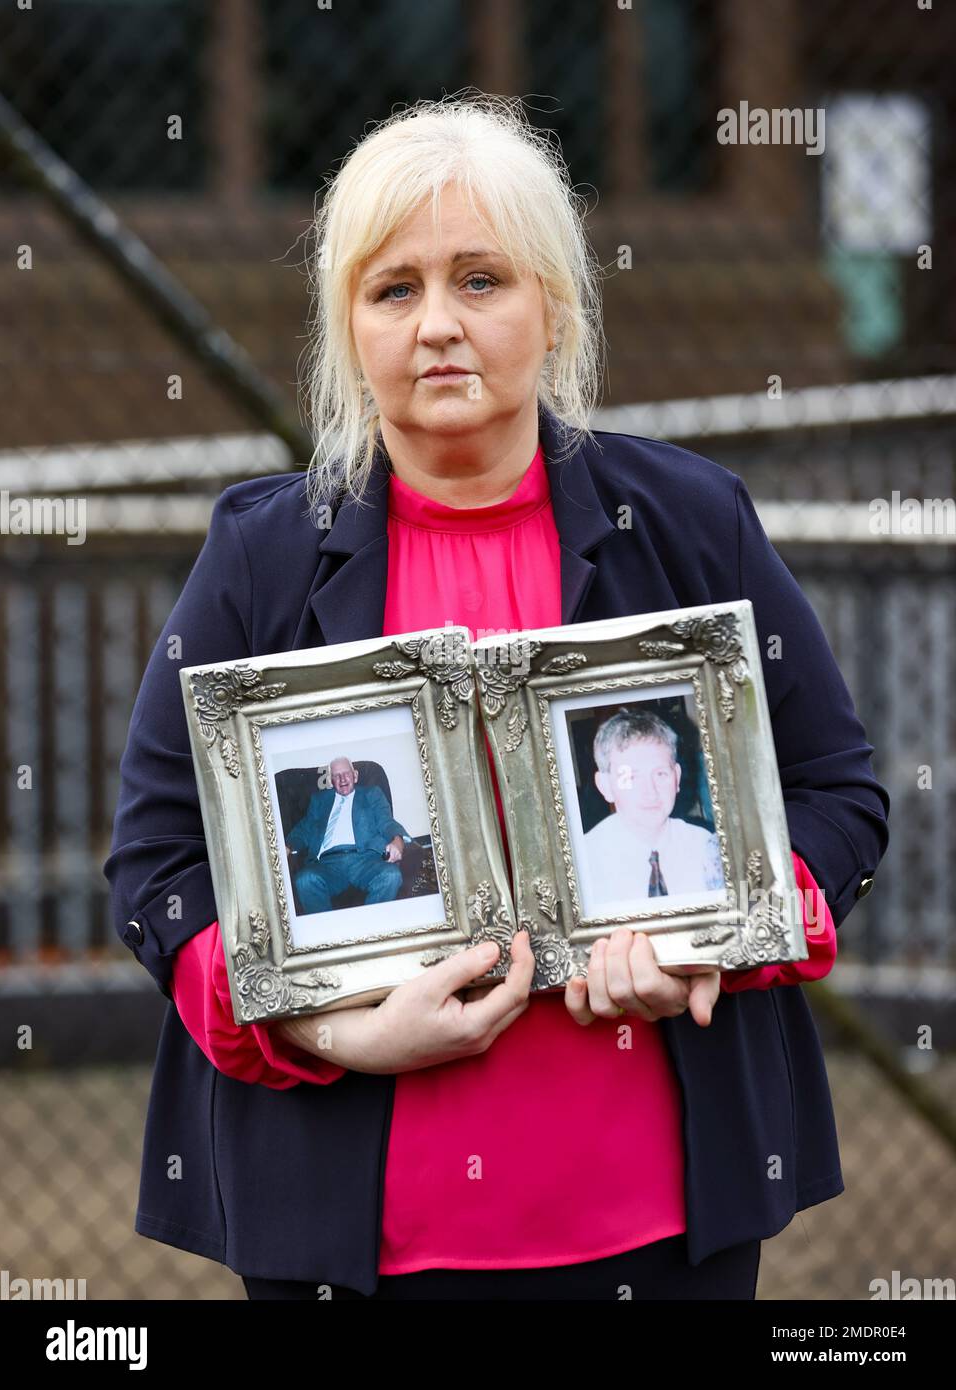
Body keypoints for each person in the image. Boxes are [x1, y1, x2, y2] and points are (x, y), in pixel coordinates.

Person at [103, 93, 890, 1301]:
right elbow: (154, 862)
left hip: (662, 1226)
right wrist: (327, 1032)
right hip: (349, 1239)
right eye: (394, 289)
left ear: (555, 307)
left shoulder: (688, 521)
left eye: (481, 280)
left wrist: (716, 934)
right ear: (347, 325)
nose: (438, 327)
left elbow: (840, 794)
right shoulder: (258, 557)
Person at [582, 709, 725, 905]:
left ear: (676, 777)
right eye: (632, 777)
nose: (650, 792)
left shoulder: (708, 850)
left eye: (660, 774)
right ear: (605, 785)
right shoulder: (583, 864)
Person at [286, 756, 408, 914]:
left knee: (391, 876)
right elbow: (304, 829)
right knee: (305, 880)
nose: (342, 779)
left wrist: (398, 841)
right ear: (331, 781)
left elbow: (386, 821)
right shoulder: (319, 801)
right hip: (327, 863)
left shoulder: (371, 794)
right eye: (336, 775)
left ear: (355, 775)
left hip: (365, 859)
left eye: (346, 774)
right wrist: (288, 846)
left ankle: (372, 932)